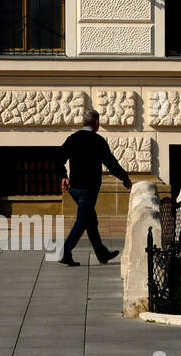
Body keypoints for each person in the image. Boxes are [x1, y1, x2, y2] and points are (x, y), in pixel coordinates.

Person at [55, 109, 131, 266]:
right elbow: (111, 164)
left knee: (91, 220)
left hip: (74, 188)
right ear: (96, 122)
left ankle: (102, 254)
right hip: (88, 189)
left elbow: (58, 159)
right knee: (83, 221)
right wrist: (125, 178)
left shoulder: (73, 139)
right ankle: (66, 252)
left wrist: (63, 176)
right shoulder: (98, 141)